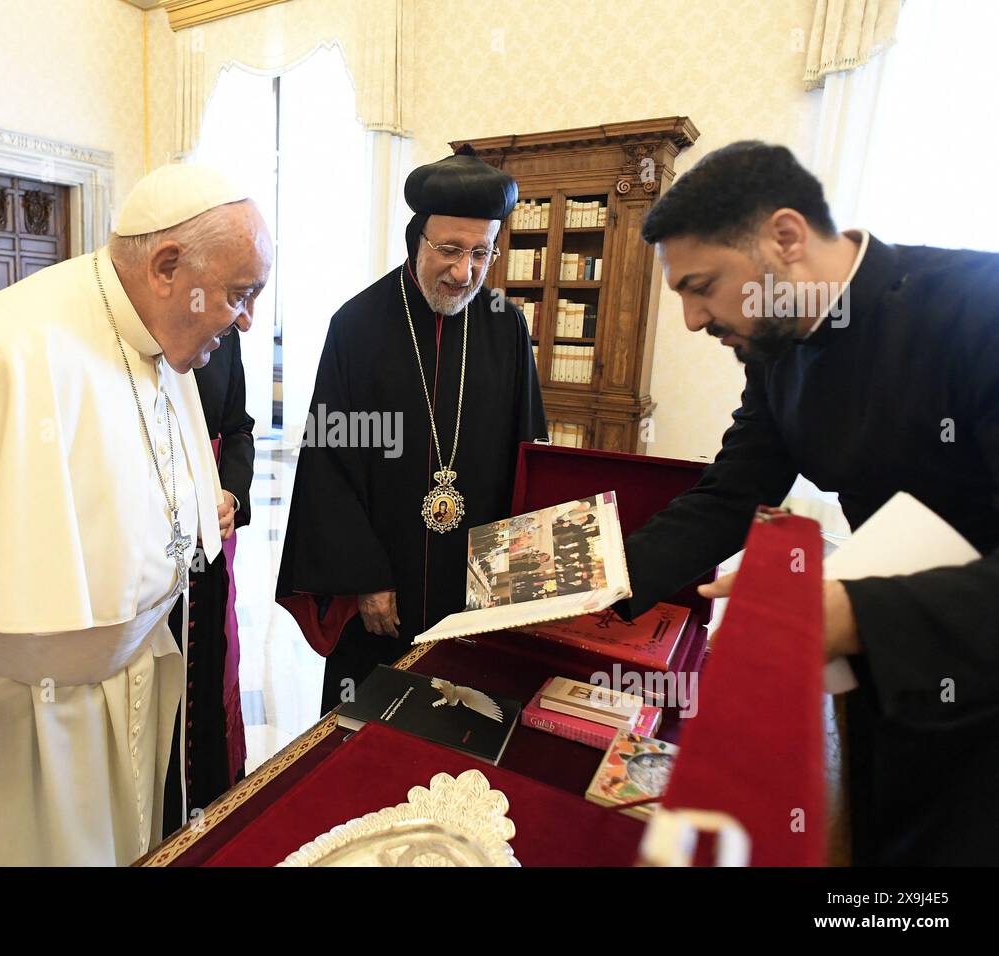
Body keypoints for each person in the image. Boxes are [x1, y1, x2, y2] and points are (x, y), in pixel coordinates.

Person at [0, 163, 273, 866]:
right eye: (239, 296)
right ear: (166, 268)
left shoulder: (166, 341)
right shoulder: (1, 353)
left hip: (133, 707)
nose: (246, 320)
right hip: (28, 736)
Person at [617, 140, 999, 865]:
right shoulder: (776, 346)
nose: (694, 321)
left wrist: (848, 613)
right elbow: (732, 493)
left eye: (702, 286)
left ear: (785, 238)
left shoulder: (978, 306)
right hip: (883, 668)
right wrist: (602, 578)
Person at [277, 145, 547, 715]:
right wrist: (364, 579)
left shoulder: (506, 328)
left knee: (470, 730)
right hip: (384, 588)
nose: (464, 271)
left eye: (481, 253)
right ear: (415, 238)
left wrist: (513, 583)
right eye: (449, 249)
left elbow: (529, 455)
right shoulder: (357, 326)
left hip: (477, 586)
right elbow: (330, 469)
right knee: (371, 731)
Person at [163, 329, 253, 834]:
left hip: (212, 547)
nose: (243, 319)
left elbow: (238, 427)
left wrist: (231, 495)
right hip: (146, 558)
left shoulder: (223, 333)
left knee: (211, 670)